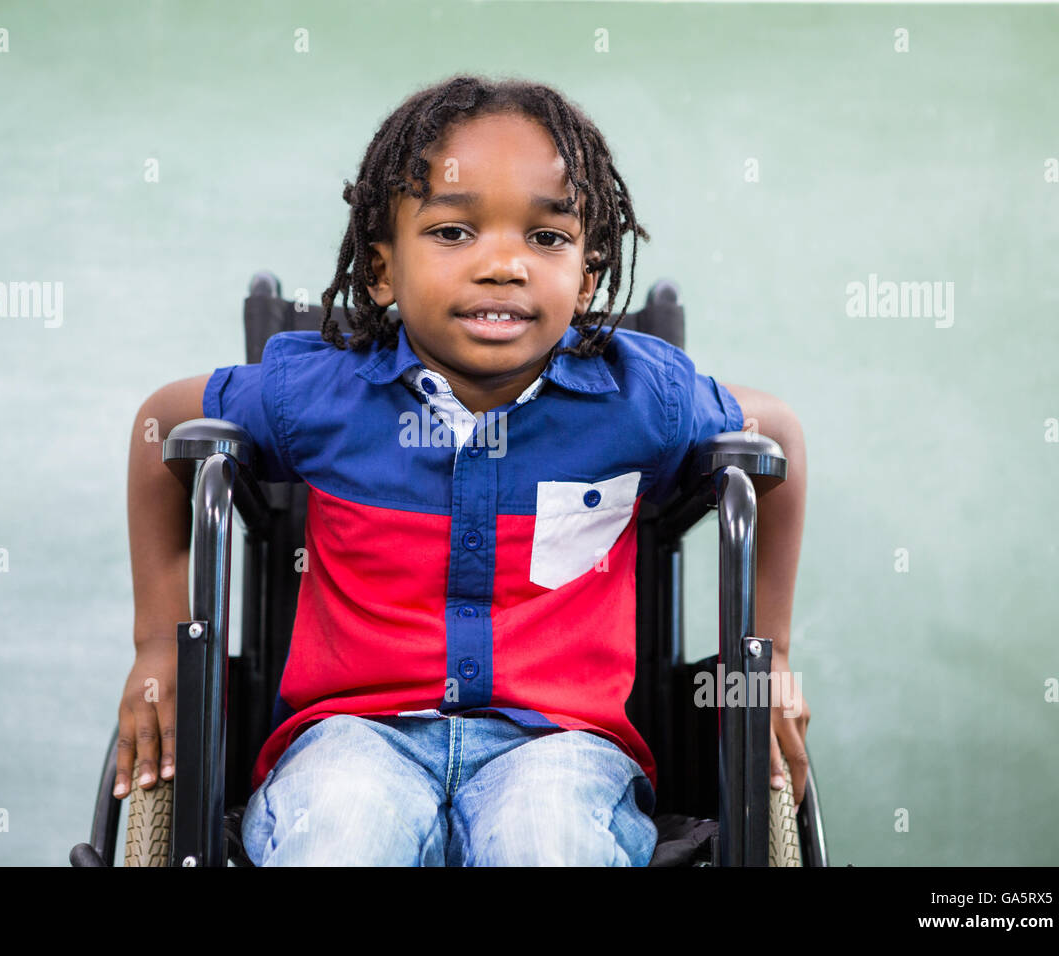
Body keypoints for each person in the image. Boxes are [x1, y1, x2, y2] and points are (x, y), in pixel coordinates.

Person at [116, 74, 810, 866]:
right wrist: (160, 646)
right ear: (382, 271)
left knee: (544, 836)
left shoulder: (639, 396)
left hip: (558, 744)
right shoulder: (323, 392)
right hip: (355, 737)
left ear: (585, 280)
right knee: (343, 826)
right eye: (453, 233)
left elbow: (776, 436)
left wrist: (771, 656)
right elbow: (159, 428)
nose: (503, 264)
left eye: (546, 239)